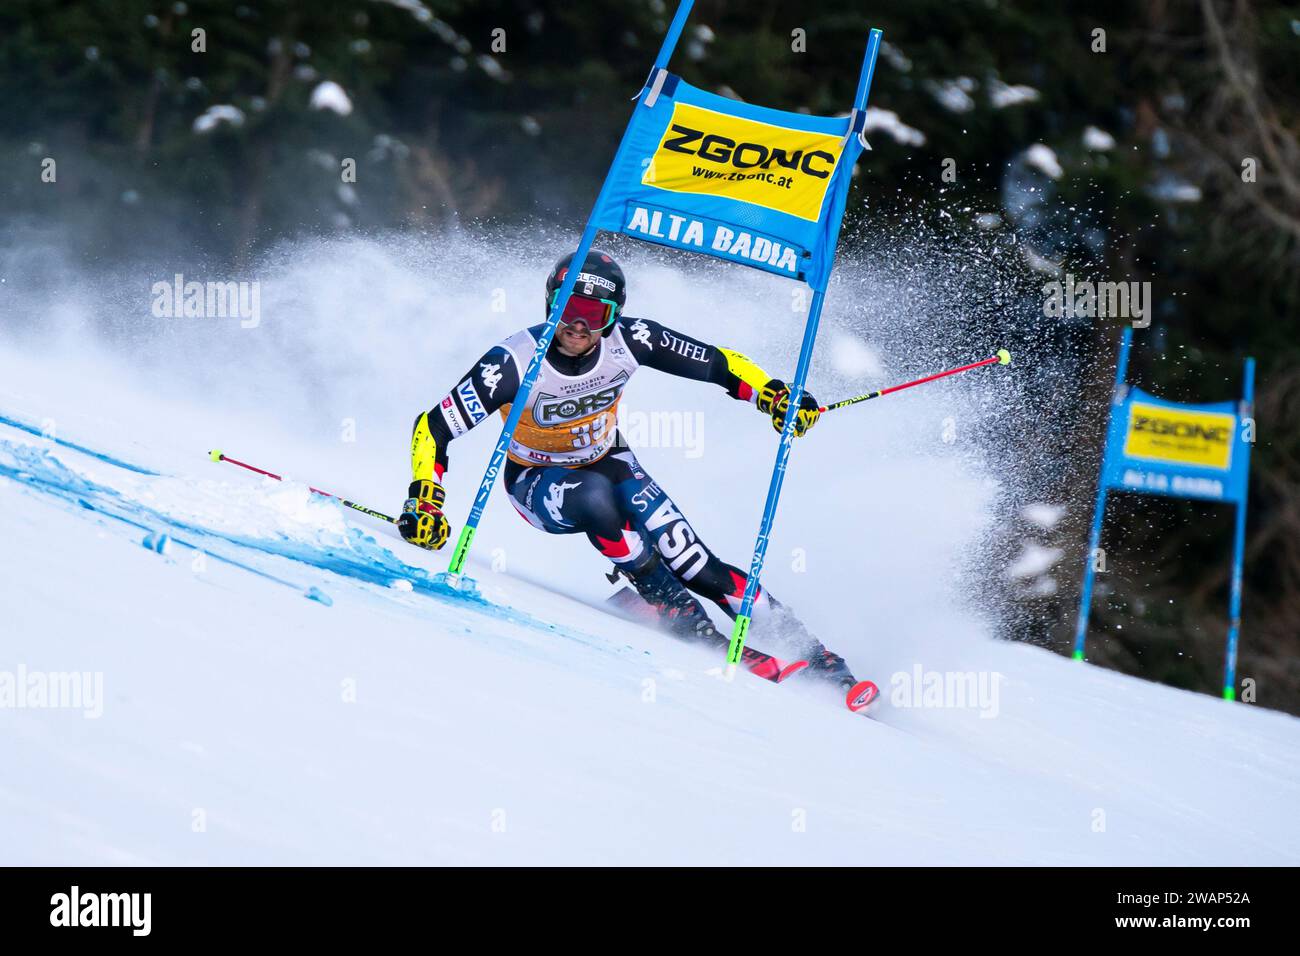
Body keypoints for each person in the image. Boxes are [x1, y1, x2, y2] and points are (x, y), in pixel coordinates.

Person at [398, 249, 856, 688]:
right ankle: (674, 608)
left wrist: (773, 394)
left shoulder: (632, 340)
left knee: (693, 560)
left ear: (614, 316)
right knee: (595, 496)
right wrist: (426, 497)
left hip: (610, 458)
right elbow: (433, 427)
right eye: (569, 308)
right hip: (534, 481)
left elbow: (717, 364)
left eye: (595, 315)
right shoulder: (514, 362)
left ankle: (814, 653)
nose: (579, 325)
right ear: (549, 303)